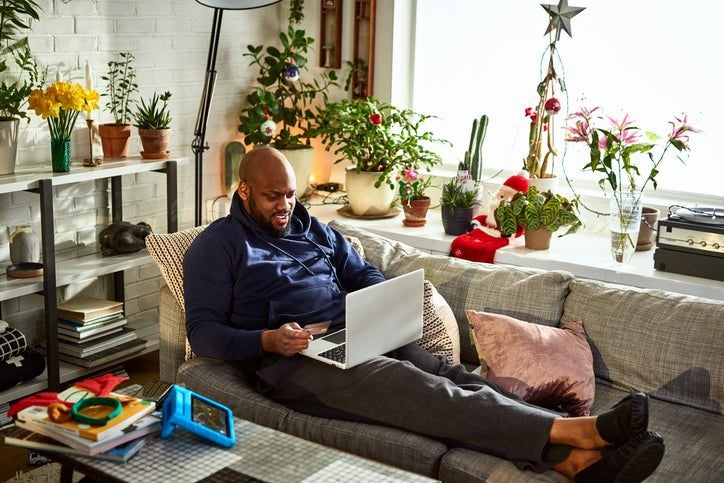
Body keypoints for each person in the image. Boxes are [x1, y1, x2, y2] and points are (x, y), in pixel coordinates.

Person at [184, 146, 664, 482]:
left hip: (357, 332)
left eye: (291, 194)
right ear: (242, 191)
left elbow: (363, 274)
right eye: (273, 197)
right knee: (423, 391)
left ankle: (574, 465)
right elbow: (203, 334)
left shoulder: (314, 228)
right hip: (293, 362)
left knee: (457, 376)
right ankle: (580, 432)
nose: (286, 206)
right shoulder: (219, 247)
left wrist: (379, 304)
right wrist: (269, 340)